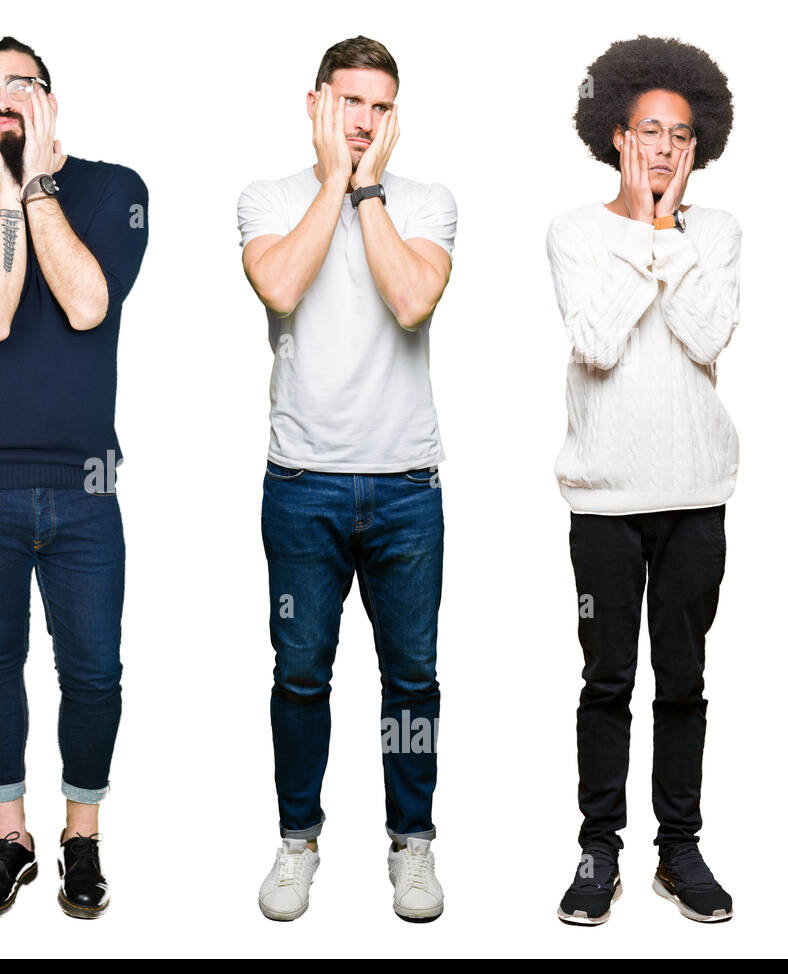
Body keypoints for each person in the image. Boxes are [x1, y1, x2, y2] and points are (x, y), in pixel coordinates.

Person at [0, 36, 148, 921]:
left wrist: (37, 185)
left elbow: (87, 303)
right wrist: (7, 190)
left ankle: (80, 835)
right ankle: (11, 837)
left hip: (86, 484)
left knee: (93, 667)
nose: (2, 94)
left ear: (51, 101)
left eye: (21, 83)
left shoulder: (116, 190)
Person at [237, 36, 456, 923]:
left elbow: (412, 301)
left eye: (381, 107)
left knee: (412, 678)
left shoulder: (429, 203)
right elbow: (281, 287)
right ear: (317, 103)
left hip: (406, 486)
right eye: (350, 103)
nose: (365, 121)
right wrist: (337, 180)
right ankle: (298, 839)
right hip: (303, 485)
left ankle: (413, 841)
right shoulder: (268, 199)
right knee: (300, 673)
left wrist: (366, 190)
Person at [548, 35, 738, 926]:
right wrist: (647, 230)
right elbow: (596, 340)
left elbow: (705, 337)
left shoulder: (720, 232)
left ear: (696, 149)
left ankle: (681, 848)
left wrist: (669, 232)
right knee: (606, 682)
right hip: (606, 503)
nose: (664, 149)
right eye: (648, 132)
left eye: (680, 136)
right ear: (616, 135)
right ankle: (598, 851)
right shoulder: (575, 231)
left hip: (695, 496)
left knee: (685, 682)